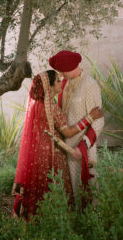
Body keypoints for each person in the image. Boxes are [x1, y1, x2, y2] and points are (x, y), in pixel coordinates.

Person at [11, 70, 103, 219]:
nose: (62, 83)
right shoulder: (52, 108)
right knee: (53, 187)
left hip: (36, 155)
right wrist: (90, 118)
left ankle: (34, 221)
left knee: (39, 187)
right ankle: (55, 221)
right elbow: (68, 132)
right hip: (51, 154)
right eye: (58, 81)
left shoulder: (36, 105)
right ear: (50, 87)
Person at [49, 49, 104, 204]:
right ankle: (75, 225)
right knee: (71, 193)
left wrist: (83, 146)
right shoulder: (64, 84)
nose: (60, 74)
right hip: (65, 149)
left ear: (69, 67)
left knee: (89, 191)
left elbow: (98, 120)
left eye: (62, 71)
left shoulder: (90, 85)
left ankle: (92, 224)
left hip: (83, 150)